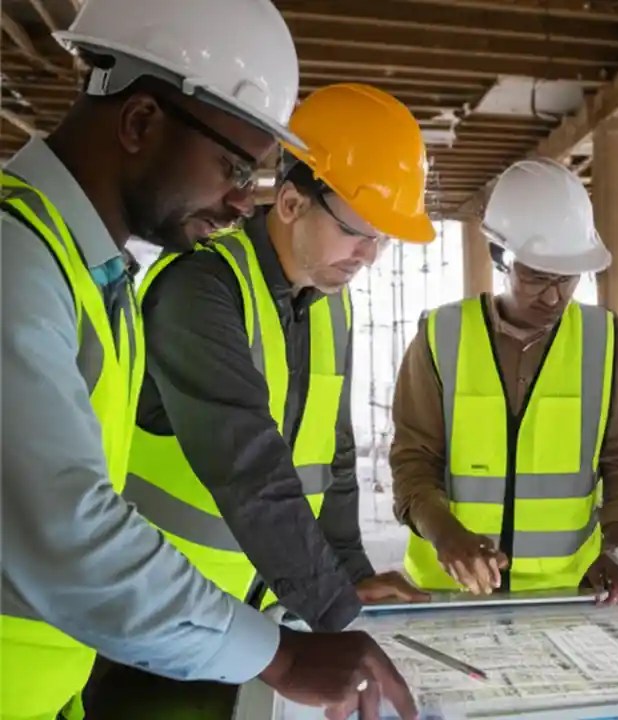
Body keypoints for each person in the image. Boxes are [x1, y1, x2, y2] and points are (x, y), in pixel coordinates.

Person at [0, 1, 416, 719]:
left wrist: (340, 585)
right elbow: (70, 533)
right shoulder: (19, 261)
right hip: (155, 652)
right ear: (139, 123)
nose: (239, 199)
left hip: (70, 676)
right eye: (233, 165)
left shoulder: (93, 274)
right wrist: (294, 648)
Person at [123, 81, 432, 634]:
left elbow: (335, 461)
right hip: (158, 612)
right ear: (291, 203)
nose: (368, 257)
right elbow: (248, 467)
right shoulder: (199, 290)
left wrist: (352, 575)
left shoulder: (332, 305)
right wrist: (335, 610)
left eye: (383, 240)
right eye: (358, 233)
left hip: (256, 618)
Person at [391, 158, 618, 605]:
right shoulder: (440, 337)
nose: (553, 296)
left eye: (567, 278)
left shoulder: (604, 342)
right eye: (536, 277)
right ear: (500, 257)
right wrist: (447, 535)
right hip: (450, 592)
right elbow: (413, 463)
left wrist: (615, 550)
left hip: (568, 594)